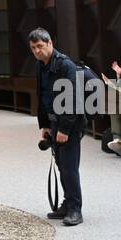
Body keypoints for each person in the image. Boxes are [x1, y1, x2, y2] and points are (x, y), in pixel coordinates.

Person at [31, 27, 90, 227]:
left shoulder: (65, 65)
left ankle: (75, 209)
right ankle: (66, 204)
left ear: (50, 44)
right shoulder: (41, 65)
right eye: (33, 48)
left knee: (69, 167)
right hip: (54, 121)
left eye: (40, 46)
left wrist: (64, 129)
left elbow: (73, 100)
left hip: (70, 124)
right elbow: (43, 96)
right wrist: (45, 125)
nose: (37, 51)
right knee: (61, 165)